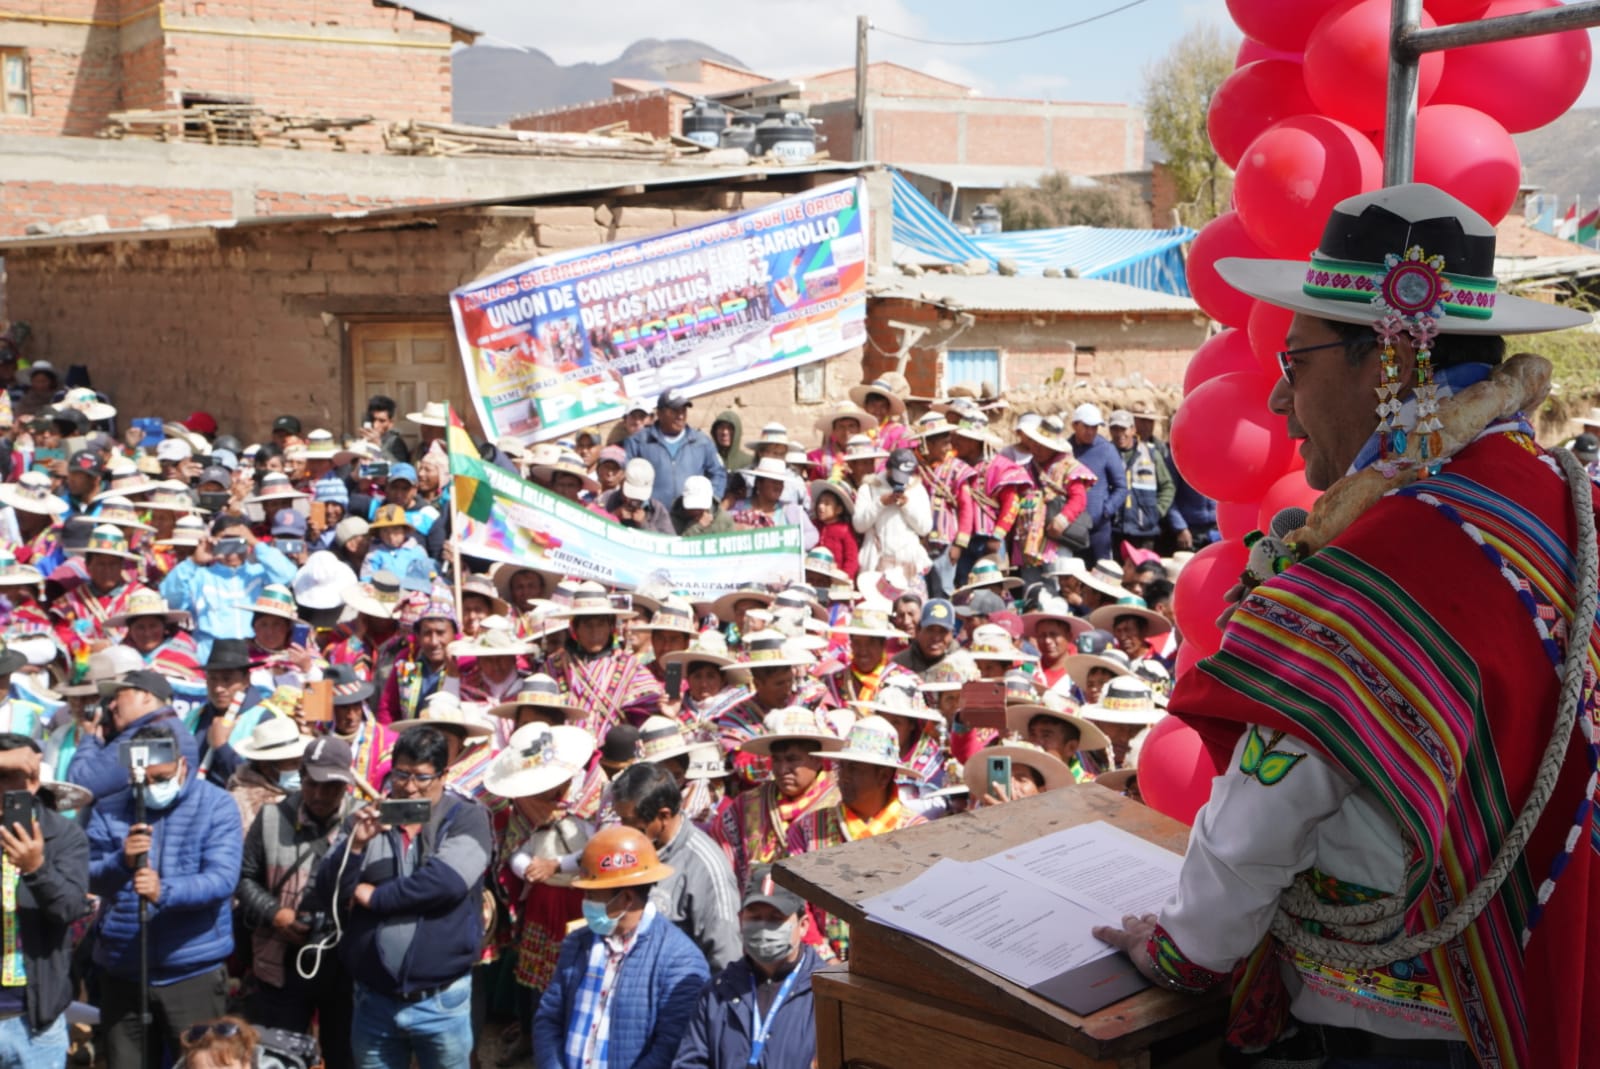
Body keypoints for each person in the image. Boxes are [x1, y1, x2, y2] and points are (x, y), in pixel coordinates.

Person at [1092, 184, 1600, 1068]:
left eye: (1297, 366)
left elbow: (1264, 813)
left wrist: (1185, 948)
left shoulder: (1377, 566)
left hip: (1398, 1035)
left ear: (1388, 364)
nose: (1282, 405)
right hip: (1553, 976)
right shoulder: (1571, 504)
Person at [306, 725, 492, 1069]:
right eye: (401, 775)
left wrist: (374, 898)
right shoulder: (365, 818)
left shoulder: (467, 817)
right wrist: (357, 844)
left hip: (441, 1000)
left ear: (443, 775)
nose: (408, 787)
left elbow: (445, 883)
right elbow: (328, 889)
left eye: (422, 778)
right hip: (373, 1000)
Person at [87, 722, 241, 1069]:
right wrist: (121, 861)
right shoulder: (108, 810)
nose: (151, 788)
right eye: (142, 780)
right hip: (124, 970)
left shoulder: (216, 805)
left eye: (162, 777)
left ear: (183, 766)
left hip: (191, 971)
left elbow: (222, 879)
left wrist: (165, 891)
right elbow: (88, 876)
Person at [531, 825, 710, 1069]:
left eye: (593, 896)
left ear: (626, 898)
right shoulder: (577, 944)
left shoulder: (680, 960)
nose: (585, 903)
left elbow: (671, 1046)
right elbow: (549, 1018)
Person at [235, 736, 360, 1069]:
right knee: (279, 1057)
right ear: (301, 776)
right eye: (311, 783)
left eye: (330, 786)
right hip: (281, 961)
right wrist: (275, 914)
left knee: (345, 1055)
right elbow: (244, 879)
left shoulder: (364, 822)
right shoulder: (272, 817)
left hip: (345, 964)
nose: (319, 795)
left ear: (347, 784)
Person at [786, 716, 925, 959]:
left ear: (883, 776)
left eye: (856, 769)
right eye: (843, 768)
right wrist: (824, 957)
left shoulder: (918, 833)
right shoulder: (807, 829)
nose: (844, 777)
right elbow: (796, 898)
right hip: (821, 965)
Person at [672, 865, 824, 1069]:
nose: (763, 927)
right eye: (755, 917)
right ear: (740, 920)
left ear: (803, 925)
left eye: (775, 919)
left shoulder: (825, 993)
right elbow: (690, 1063)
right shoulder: (717, 991)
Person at [0, 734, 88, 1067]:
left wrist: (36, 869)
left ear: (34, 781)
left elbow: (70, 908)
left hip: (35, 1021)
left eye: (10, 776)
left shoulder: (63, 836)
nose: (1, 787)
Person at [611, 761, 742, 971]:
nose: (623, 828)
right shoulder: (634, 846)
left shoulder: (705, 867)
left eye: (629, 820)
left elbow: (725, 953)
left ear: (663, 816)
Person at [160, 513, 296, 661]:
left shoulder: (259, 573)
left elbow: (288, 576)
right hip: (210, 654)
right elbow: (170, 598)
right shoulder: (200, 575)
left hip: (252, 654)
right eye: (225, 543)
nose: (232, 551)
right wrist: (193, 562)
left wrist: (255, 542)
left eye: (238, 543)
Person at [623, 389, 727, 509]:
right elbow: (626, 475)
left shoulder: (701, 442)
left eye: (683, 410)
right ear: (660, 413)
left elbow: (718, 474)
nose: (681, 416)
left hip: (691, 519)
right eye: (675, 411)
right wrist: (642, 505)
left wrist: (710, 503)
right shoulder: (639, 441)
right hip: (652, 519)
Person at [1066, 404, 1127, 565]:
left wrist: (1105, 511)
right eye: (1086, 427)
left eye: (1095, 427)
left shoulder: (1106, 449)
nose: (1091, 432)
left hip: (1099, 528)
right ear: (1074, 425)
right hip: (1071, 527)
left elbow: (1121, 487)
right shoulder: (1065, 449)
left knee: (1102, 572)